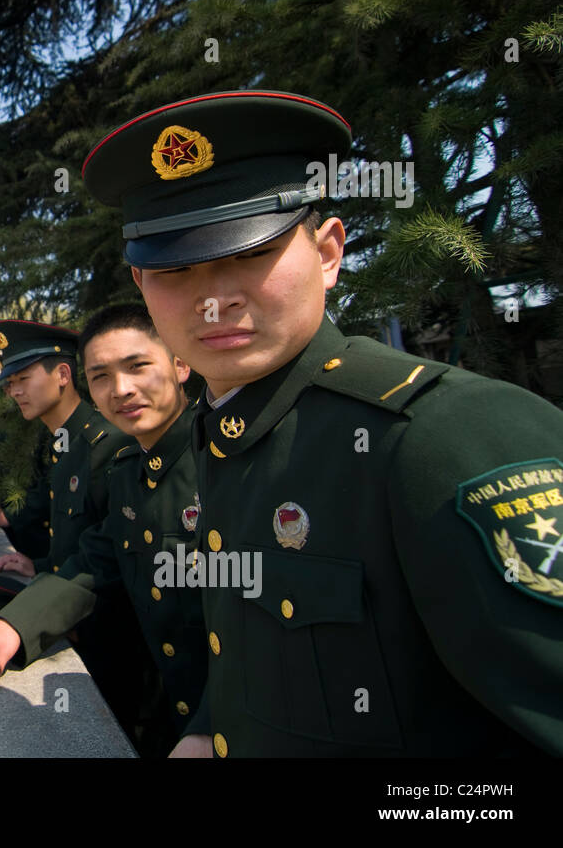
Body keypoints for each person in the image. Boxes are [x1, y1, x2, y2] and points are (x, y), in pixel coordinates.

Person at [81, 89, 563, 757]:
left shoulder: (444, 435)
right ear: (140, 281)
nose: (214, 298)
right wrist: (206, 734)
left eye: (250, 252)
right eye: (177, 267)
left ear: (330, 251)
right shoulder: (225, 433)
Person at [0, 305, 207, 757]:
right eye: (102, 377)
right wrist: (16, 625)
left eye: (137, 366)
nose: (122, 390)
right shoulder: (133, 470)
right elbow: (98, 557)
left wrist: (213, 726)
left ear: (181, 363)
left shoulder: (224, 461)